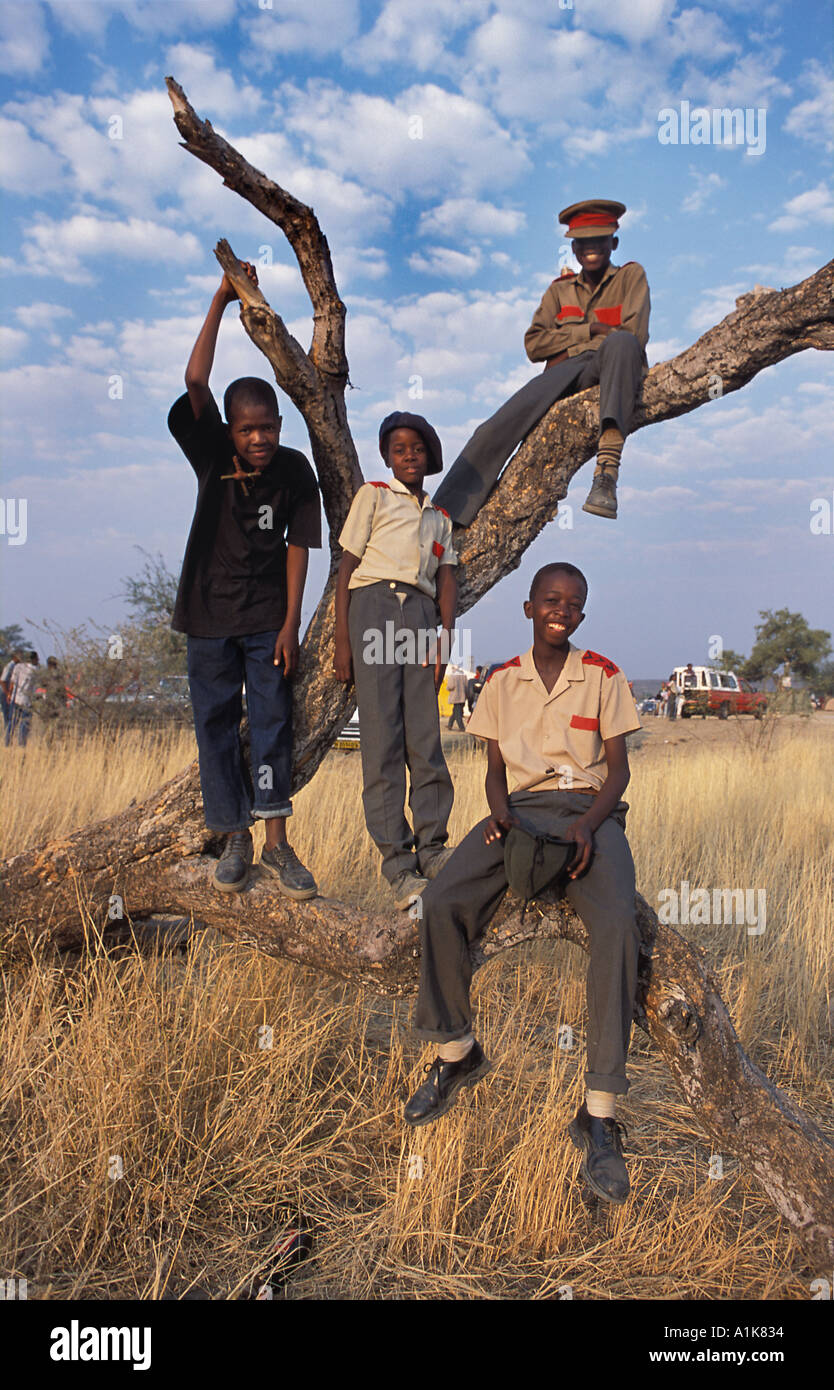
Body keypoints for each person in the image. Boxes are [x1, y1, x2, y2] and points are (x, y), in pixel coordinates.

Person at [404, 562, 643, 1206]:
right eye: (551, 600)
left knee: (619, 924)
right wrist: (501, 814)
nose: (562, 611)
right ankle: (458, 1052)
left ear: (581, 615)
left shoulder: (604, 674)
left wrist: (593, 826)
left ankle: (599, 1114)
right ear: (530, 607)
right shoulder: (502, 682)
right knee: (442, 903)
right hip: (519, 817)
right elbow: (492, 769)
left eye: (574, 604)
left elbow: (617, 772)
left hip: (588, 815)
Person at [168, 262, 320, 898]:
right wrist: (221, 299)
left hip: (263, 619)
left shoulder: (293, 470)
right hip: (206, 615)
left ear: (280, 427)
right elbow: (195, 377)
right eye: (247, 428)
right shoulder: (211, 452)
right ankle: (234, 836)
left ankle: (278, 842)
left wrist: (288, 624)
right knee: (214, 723)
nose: (259, 437)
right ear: (229, 429)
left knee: (271, 721)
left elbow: (300, 546)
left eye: (268, 427)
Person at [433, 199, 649, 526]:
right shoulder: (559, 291)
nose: (591, 248)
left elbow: (633, 335)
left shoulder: (631, 277)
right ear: (574, 249)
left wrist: (578, 340)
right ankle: (444, 517)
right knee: (498, 425)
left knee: (620, 342)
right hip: (565, 374)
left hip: (612, 368)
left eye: (599, 240)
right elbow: (534, 344)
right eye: (584, 242)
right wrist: (589, 329)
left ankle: (606, 473)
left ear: (613, 243)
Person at [334, 412, 458, 911]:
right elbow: (346, 565)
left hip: (422, 615)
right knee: (382, 738)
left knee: (425, 740)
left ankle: (433, 848)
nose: (409, 456)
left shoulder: (441, 518)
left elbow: (447, 580)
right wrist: (343, 640)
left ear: (429, 457)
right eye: (399, 448)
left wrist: (445, 640)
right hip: (375, 607)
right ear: (387, 457)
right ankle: (398, 863)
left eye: (418, 449)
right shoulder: (374, 496)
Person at [5, 651, 38, 747]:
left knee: (12, 722)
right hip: (27, 700)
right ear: (33, 659)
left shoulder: (18, 667)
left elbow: (12, 682)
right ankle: (22, 744)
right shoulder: (35, 670)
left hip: (16, 698)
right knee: (24, 724)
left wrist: (9, 694)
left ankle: (8, 742)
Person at [0, 649, 22, 735]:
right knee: (7, 714)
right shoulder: (10, 666)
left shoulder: (16, 666)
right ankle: (7, 734)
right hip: (4, 691)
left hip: (8, 692)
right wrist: (7, 694)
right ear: (15, 657)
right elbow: (2, 681)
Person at [445, 665, 467, 731]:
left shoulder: (453, 676)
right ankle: (450, 725)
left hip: (456, 697)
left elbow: (450, 686)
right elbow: (466, 685)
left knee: (457, 714)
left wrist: (447, 688)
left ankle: (462, 727)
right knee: (455, 711)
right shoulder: (463, 675)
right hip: (462, 696)